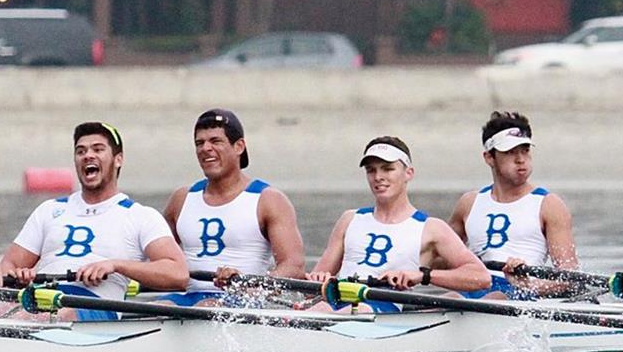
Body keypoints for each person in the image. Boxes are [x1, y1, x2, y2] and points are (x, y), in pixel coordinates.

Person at [2, 121, 189, 320]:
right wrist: (19, 277)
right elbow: (9, 265)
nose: (88, 155)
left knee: (47, 317)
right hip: (42, 299)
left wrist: (116, 265)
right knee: (1, 313)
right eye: (80, 151)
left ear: (118, 160)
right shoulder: (49, 210)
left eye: (98, 149)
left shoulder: (140, 216)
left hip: (96, 305)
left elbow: (178, 274)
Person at [309, 136, 491, 310]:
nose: (378, 177)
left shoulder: (431, 229)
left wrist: (423, 276)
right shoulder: (349, 219)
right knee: (320, 306)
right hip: (336, 304)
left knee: (359, 309)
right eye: (371, 170)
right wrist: (319, 278)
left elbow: (481, 277)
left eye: (387, 169)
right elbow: (313, 287)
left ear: (408, 173)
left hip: (383, 310)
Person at [160, 107, 306, 304]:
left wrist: (253, 286)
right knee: (157, 307)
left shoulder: (268, 200)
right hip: (189, 298)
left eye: (215, 141)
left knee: (207, 306)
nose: (205, 149)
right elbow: (157, 256)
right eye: (199, 143)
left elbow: (293, 266)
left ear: (239, 147)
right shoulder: (182, 199)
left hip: (242, 300)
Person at [448, 111, 579, 296]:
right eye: (510, 152)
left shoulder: (549, 205)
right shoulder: (468, 203)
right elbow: (437, 260)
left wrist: (528, 285)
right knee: (444, 299)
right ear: (489, 158)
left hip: (521, 294)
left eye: (525, 150)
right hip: (475, 287)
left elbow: (570, 278)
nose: (520, 160)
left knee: (495, 297)